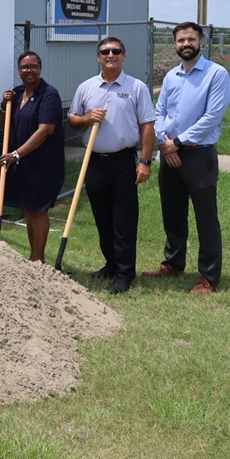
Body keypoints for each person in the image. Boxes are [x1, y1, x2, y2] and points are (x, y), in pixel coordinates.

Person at [145, 21, 230, 294]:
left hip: (198, 155)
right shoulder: (171, 76)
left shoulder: (216, 74)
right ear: (175, 44)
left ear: (201, 42)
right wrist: (164, 142)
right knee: (172, 213)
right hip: (170, 152)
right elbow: (159, 113)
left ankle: (209, 277)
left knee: (206, 217)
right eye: (181, 40)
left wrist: (178, 143)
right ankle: (173, 264)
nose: (186, 44)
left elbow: (212, 117)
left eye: (191, 40)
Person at [68, 37, 155, 294]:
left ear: (124, 56)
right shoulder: (86, 87)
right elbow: (73, 119)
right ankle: (111, 263)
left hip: (123, 161)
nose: (110, 55)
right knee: (102, 217)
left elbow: (147, 125)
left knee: (124, 219)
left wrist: (145, 161)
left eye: (116, 51)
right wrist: (86, 118)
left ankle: (125, 273)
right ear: (98, 57)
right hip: (94, 161)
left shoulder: (136, 87)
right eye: (105, 51)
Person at [0, 51, 65, 263]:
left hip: (42, 162)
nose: (29, 71)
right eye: (24, 67)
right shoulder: (16, 94)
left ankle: (38, 259)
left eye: (33, 66)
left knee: (39, 208)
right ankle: (34, 258)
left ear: (40, 69)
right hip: (23, 162)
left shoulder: (49, 94)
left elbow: (45, 131)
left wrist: (17, 154)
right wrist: (3, 106)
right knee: (29, 209)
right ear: (19, 71)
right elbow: (3, 125)